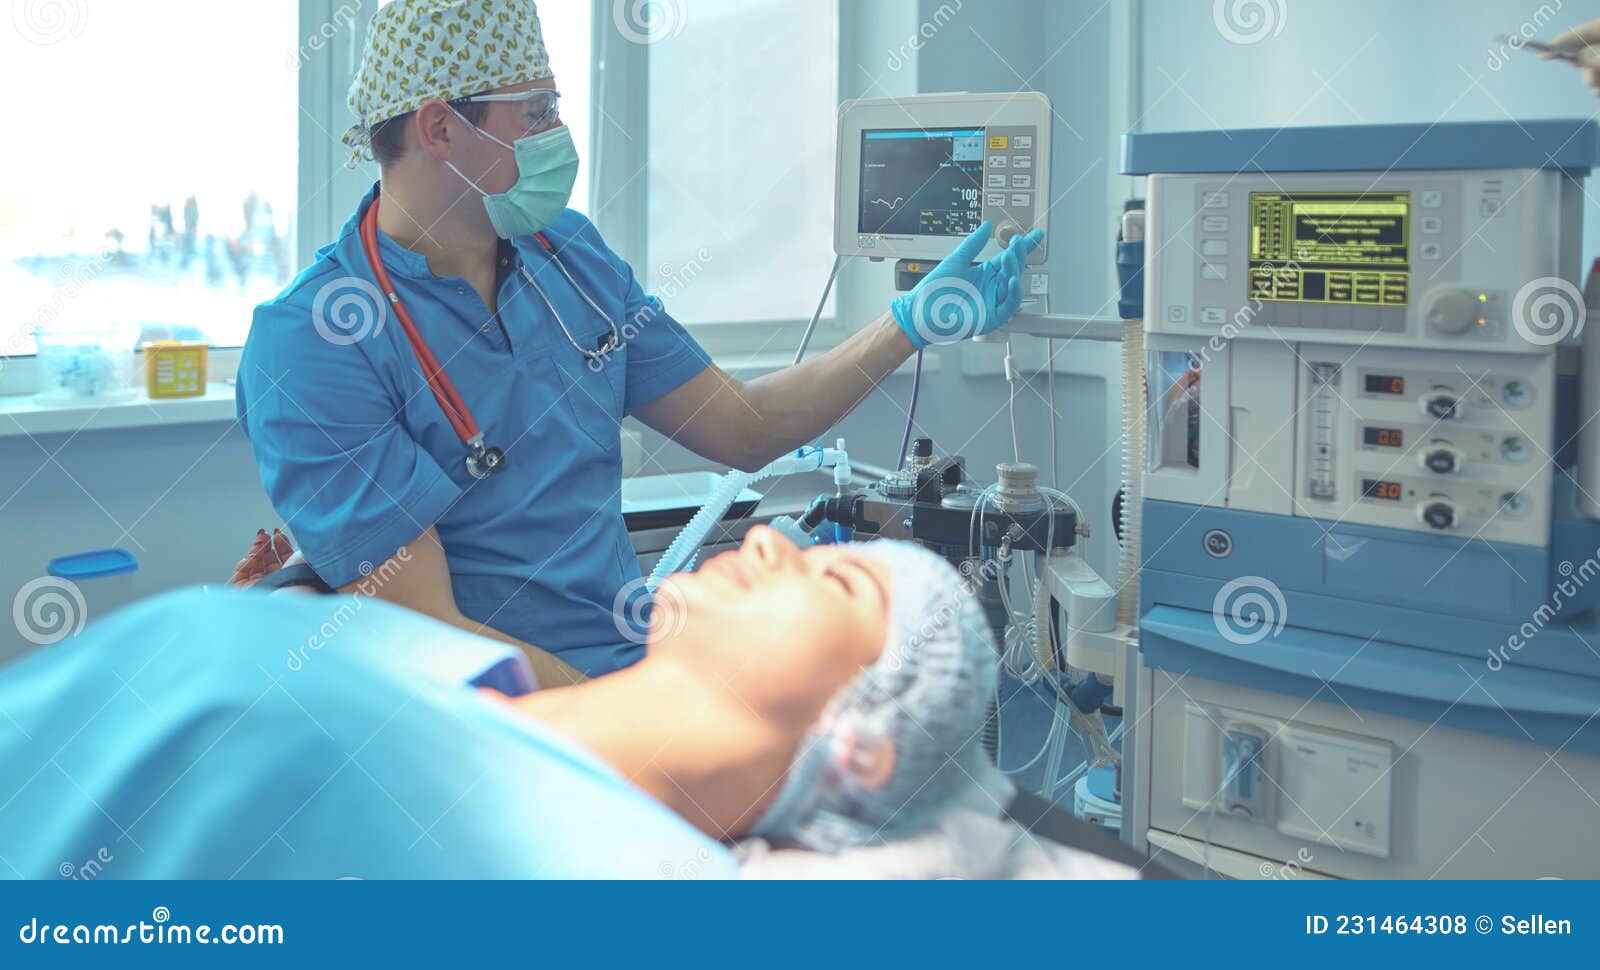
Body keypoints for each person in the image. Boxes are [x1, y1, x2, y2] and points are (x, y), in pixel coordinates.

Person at [236, 0, 1044, 680]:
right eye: (536, 114)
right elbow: (436, 643)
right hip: (492, 732)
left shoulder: (569, 256)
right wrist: (647, 724)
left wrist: (908, 324)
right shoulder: (312, 343)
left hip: (633, 665)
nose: (560, 136)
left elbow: (746, 427)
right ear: (440, 128)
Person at [0, 530, 1133, 878]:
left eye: (840, 582)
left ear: (865, 746)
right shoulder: (433, 668)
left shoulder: (611, 874)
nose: (769, 538)